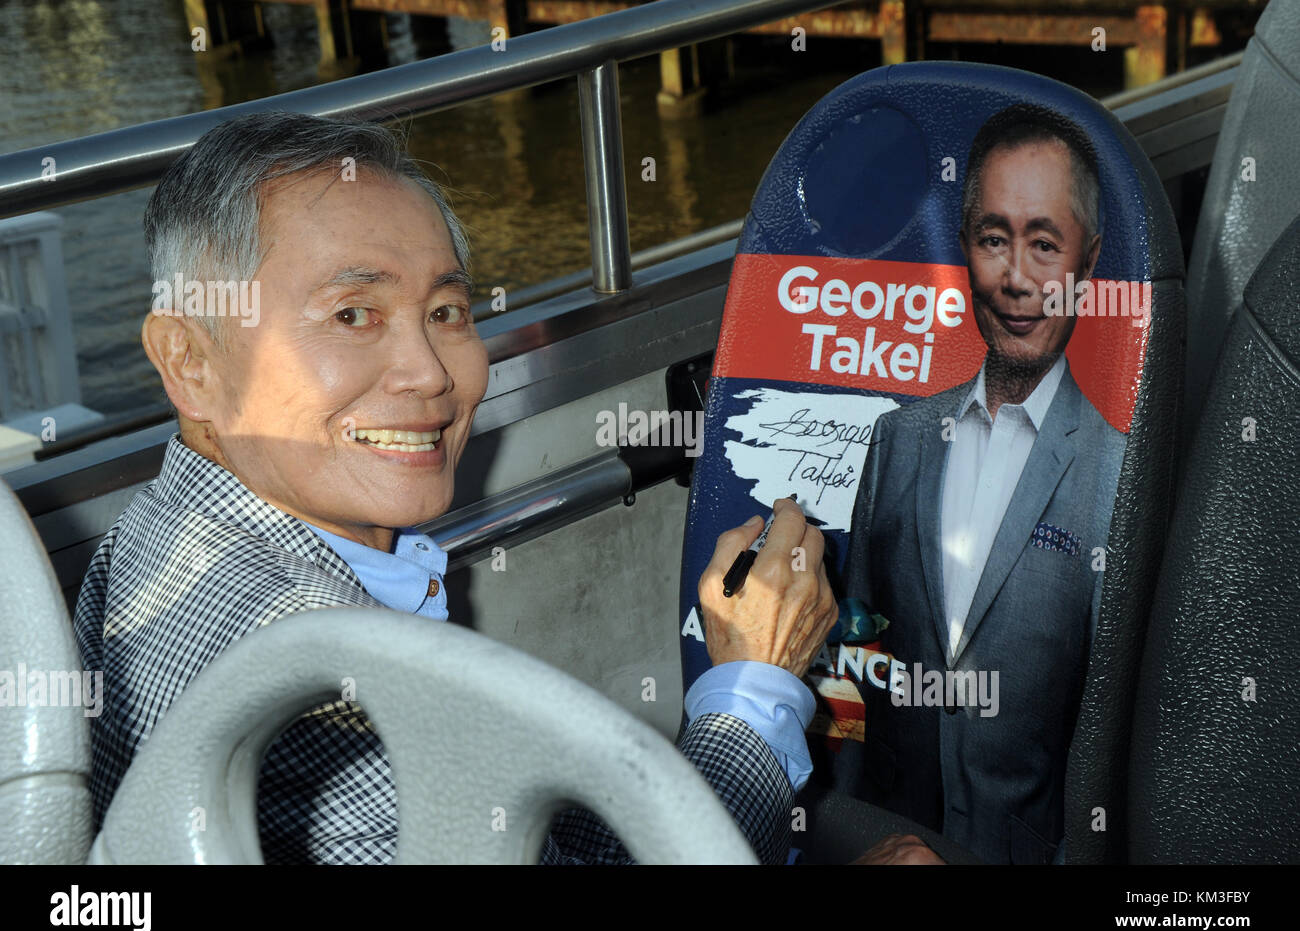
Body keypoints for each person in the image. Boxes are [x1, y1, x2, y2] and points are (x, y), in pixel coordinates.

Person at [74, 111, 838, 864]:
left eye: (446, 311)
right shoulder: (330, 680)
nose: (431, 373)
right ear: (189, 362)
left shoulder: (154, 534)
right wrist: (753, 688)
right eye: (353, 314)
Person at [840, 104, 1127, 864]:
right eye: (994, 239)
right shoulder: (896, 442)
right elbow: (851, 665)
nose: (1016, 278)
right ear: (964, 246)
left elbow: (1110, 753)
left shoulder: (1120, 476)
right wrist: (844, 833)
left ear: (1087, 263)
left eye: (1044, 244)